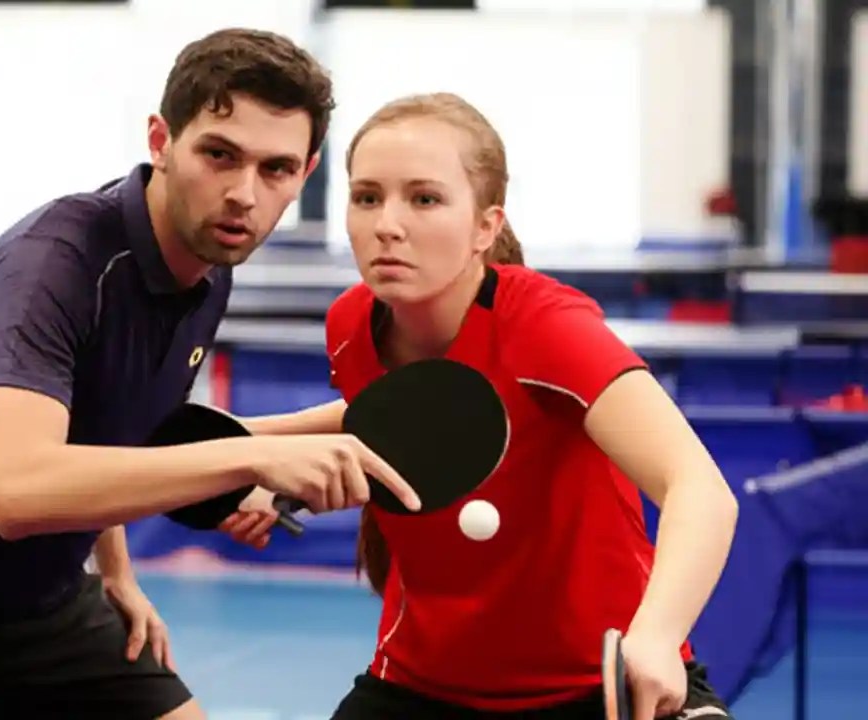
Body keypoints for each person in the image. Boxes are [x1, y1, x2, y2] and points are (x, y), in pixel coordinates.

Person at [0, 28, 419, 720]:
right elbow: (21, 491)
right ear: (161, 141)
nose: (243, 195)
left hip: (37, 609)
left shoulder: (208, 269)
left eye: (275, 169)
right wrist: (252, 458)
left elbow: (112, 430)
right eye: (219, 155)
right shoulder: (55, 266)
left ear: (305, 174)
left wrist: (118, 572)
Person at [239, 92, 741, 720]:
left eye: (424, 199)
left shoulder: (545, 327)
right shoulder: (351, 324)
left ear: (486, 225)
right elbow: (392, 415)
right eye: (367, 197)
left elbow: (700, 488)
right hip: (421, 687)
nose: (387, 224)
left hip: (596, 685)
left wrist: (660, 635)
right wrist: (250, 451)